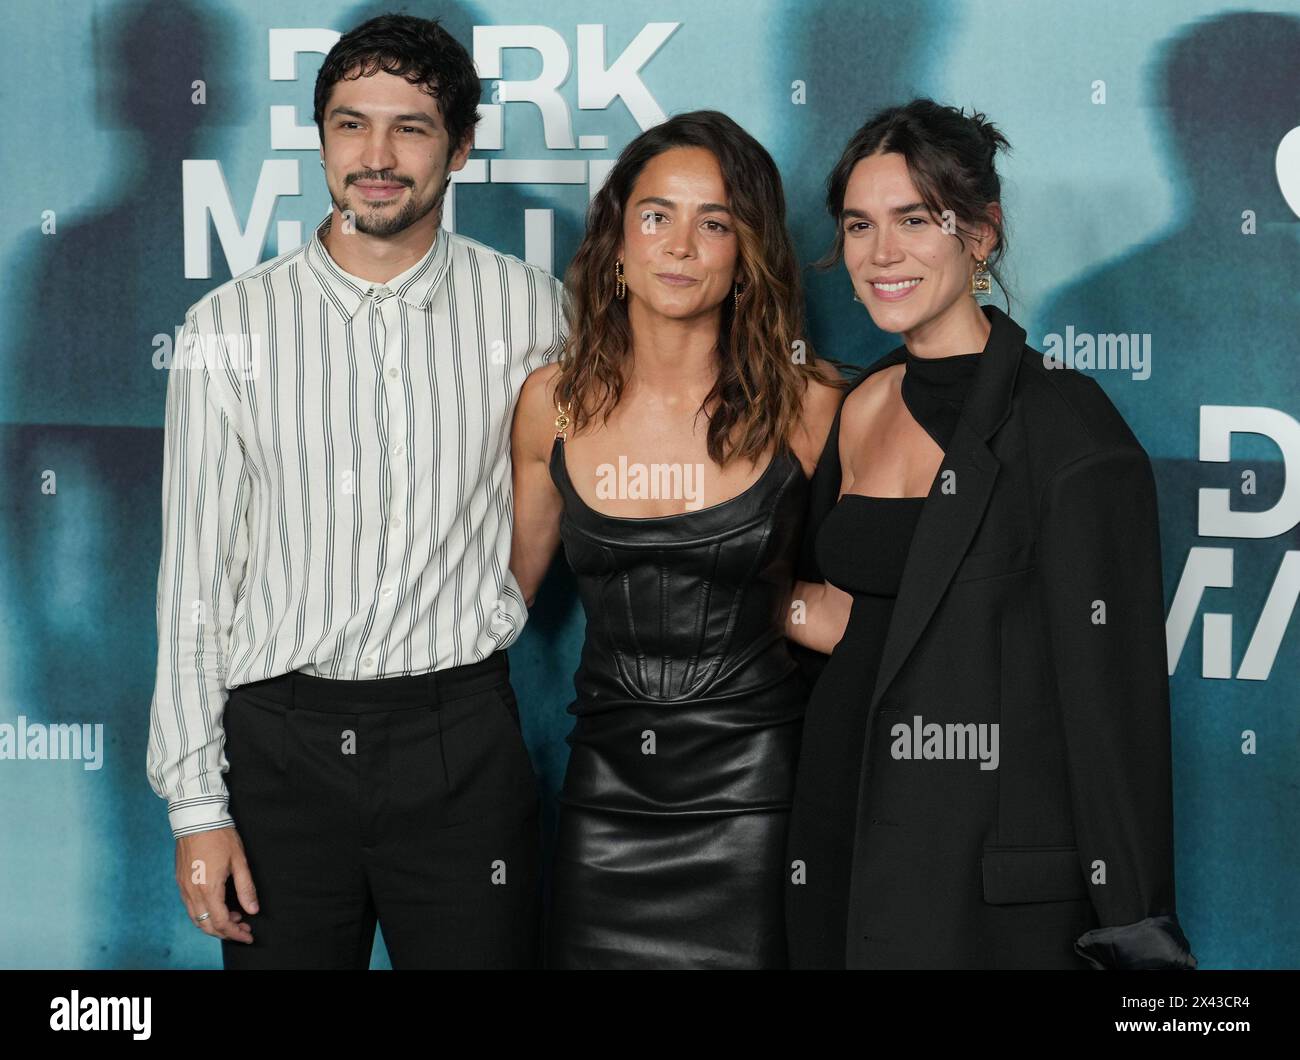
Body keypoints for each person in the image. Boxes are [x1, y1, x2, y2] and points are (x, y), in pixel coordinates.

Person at [146, 14, 565, 969]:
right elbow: (194, 581)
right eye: (349, 124)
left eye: (410, 127)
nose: (375, 156)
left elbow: (560, 483)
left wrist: (495, 603)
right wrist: (197, 809)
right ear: (322, 136)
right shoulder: (228, 326)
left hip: (461, 741)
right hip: (280, 749)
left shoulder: (534, 310)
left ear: (459, 147)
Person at [783, 98, 1196, 970]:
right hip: (836, 833)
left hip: (975, 884)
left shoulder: (1070, 431)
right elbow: (840, 613)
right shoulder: (860, 404)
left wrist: (1138, 943)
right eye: (860, 225)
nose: (881, 253)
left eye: (915, 220)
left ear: (981, 234)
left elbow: (1112, 710)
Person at [510, 111, 842, 968]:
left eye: (716, 222)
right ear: (617, 243)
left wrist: (782, 604)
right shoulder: (554, 401)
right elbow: (496, 597)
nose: (682, 246)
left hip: (758, 805)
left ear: (747, 253)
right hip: (604, 804)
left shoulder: (813, 405)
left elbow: (872, 600)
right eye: (656, 216)